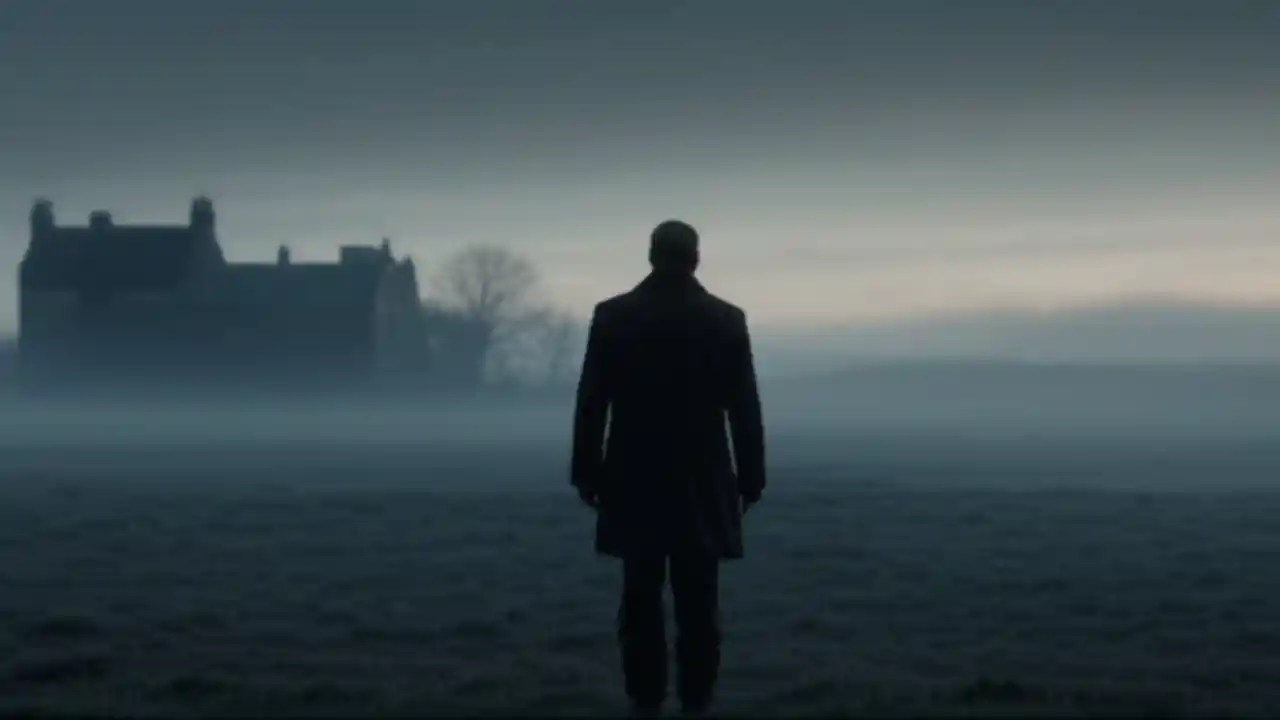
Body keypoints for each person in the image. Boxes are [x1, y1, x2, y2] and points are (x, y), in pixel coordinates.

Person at [571, 219, 766, 714]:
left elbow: (593, 402)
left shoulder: (613, 317)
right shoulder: (726, 319)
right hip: (702, 476)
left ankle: (645, 697)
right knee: (699, 599)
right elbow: (744, 407)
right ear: (695, 258)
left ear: (651, 256)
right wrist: (751, 477)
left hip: (633, 473)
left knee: (639, 596)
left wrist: (586, 471)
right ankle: (697, 699)